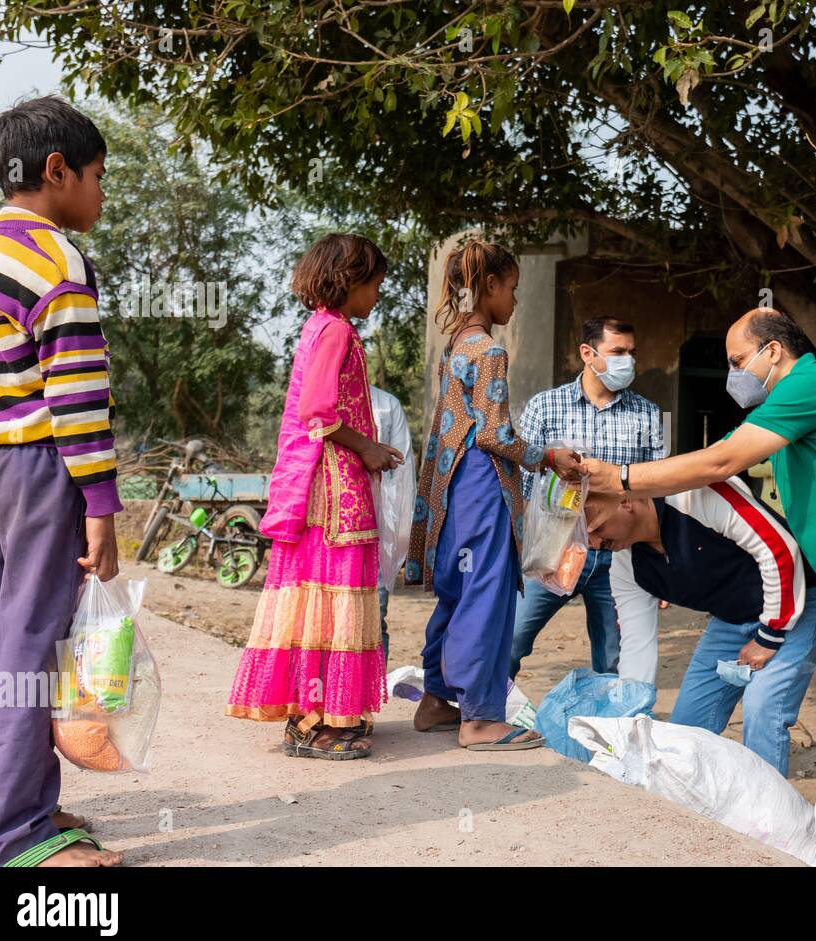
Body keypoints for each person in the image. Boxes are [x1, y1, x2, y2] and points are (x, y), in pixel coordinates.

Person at [582, 308, 816, 729]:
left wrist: (619, 477)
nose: (732, 375)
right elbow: (704, 461)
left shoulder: (812, 384)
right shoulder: (780, 413)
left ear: (774, 351)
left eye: (738, 362)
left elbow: (718, 463)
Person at [0, 96, 122, 867]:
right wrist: (100, 505)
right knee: (34, 643)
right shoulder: (56, 258)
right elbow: (77, 396)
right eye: (96, 176)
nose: (100, 193)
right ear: (56, 171)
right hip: (44, 466)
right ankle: (20, 834)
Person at [226, 234, 402, 760]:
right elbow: (318, 413)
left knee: (313, 597)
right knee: (335, 592)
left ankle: (310, 717)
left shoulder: (317, 327)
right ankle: (326, 724)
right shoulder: (338, 332)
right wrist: (368, 448)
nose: (376, 298)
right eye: (373, 286)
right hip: (335, 491)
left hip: (319, 485)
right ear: (349, 283)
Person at [404, 240, 584, 751]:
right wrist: (550, 457)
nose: (515, 300)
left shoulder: (456, 345)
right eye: (512, 288)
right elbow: (495, 435)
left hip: (450, 487)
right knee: (487, 595)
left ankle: (436, 700)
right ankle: (481, 718)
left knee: (458, 592)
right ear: (488, 287)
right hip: (483, 484)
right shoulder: (489, 350)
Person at [585, 482, 816, 776]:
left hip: (798, 601)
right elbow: (637, 642)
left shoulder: (692, 496)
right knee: (685, 729)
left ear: (625, 501)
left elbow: (779, 549)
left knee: (763, 706)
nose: (595, 543)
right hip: (731, 619)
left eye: (598, 528)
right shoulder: (626, 566)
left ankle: (767, 815)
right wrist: (631, 714)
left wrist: (769, 636)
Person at [510, 315, 665, 678]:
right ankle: (486, 716)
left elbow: (659, 492)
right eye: (617, 352)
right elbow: (520, 482)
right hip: (552, 550)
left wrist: (658, 568)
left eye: (631, 352)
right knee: (512, 639)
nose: (628, 360)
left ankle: (610, 728)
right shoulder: (544, 407)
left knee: (613, 658)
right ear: (587, 352)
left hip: (619, 556)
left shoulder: (650, 414)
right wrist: (519, 544)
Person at [370, 383, 414, 669]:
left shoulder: (385, 405)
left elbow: (402, 471)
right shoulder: (320, 401)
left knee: (374, 615)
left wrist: (400, 537)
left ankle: (368, 702)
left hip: (376, 531)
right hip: (329, 534)